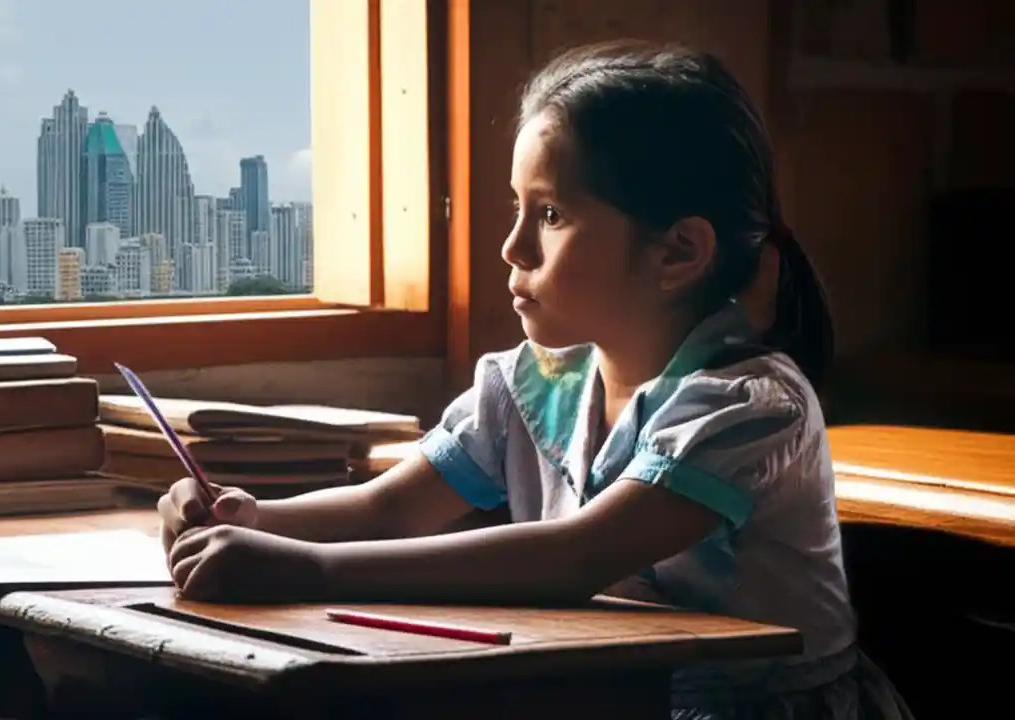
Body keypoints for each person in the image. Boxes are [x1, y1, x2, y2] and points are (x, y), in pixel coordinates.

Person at [159, 41, 913, 718]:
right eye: (517, 209)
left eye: (549, 214)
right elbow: (389, 507)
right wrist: (251, 522)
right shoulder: (531, 384)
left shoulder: (749, 407)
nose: (512, 248)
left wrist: (309, 569)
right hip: (600, 694)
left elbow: (577, 555)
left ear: (677, 252)